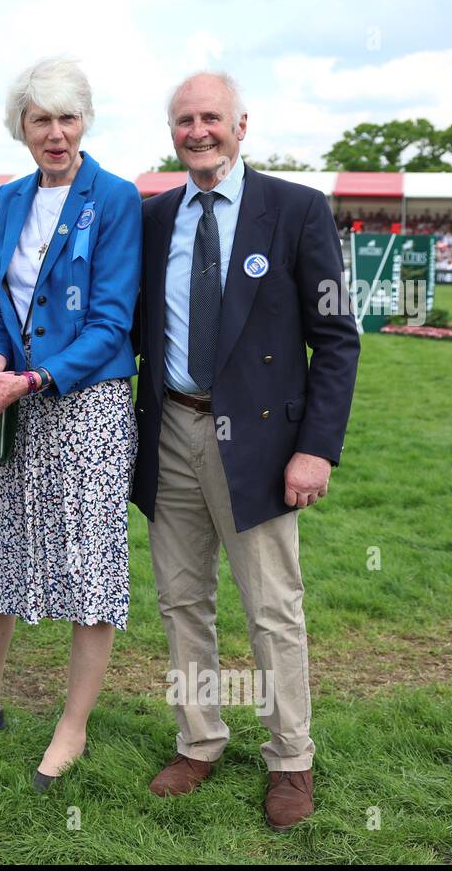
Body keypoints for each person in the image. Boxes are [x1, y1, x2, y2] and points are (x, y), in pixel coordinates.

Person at [131, 72, 359, 831]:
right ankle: (199, 739)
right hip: (170, 430)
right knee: (181, 601)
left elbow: (335, 340)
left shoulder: (296, 210)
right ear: (173, 132)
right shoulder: (154, 217)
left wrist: (316, 450)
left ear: (241, 125)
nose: (198, 131)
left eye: (211, 118)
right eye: (184, 120)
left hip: (261, 441)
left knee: (272, 608)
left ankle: (290, 758)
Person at [0, 57, 142, 794]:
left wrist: (32, 378)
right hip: (9, 401)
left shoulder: (115, 199)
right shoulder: (10, 199)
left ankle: (72, 727)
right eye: (40, 119)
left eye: (68, 118)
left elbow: (114, 322)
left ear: (86, 121)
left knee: (87, 564)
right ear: (20, 127)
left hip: (85, 407)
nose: (55, 133)